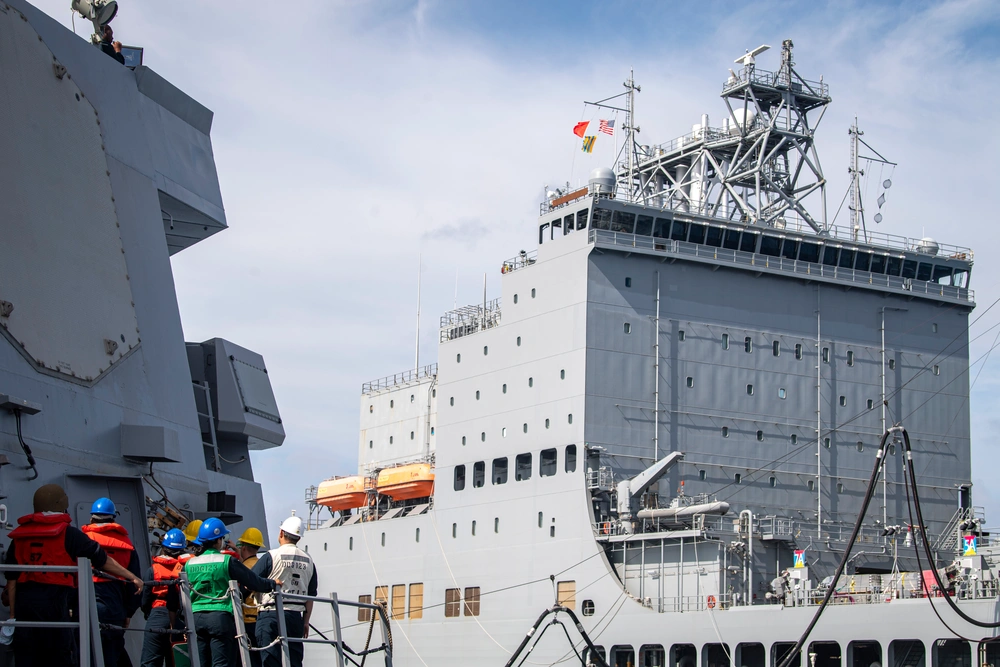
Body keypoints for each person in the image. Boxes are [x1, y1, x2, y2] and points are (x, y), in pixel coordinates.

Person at [5, 484, 144, 667]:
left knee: (27, 656)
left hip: (25, 606)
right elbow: (101, 559)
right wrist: (131, 577)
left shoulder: (19, 537)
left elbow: (12, 580)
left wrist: (13, 616)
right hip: (56, 604)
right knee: (61, 655)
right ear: (62, 505)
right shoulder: (69, 534)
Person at [185, 518, 280, 667]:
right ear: (218, 540)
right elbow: (254, 581)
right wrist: (273, 584)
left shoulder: (189, 564)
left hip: (196, 618)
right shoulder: (227, 561)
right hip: (220, 617)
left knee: (201, 663)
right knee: (221, 663)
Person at [82, 497, 143, 667]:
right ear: (113, 518)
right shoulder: (127, 545)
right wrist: (128, 613)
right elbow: (134, 581)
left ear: (92, 518)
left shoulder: (83, 540)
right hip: (115, 605)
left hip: (87, 602)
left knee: (86, 651)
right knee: (112, 651)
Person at [253, 515, 317, 667]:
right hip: (295, 617)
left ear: (281, 533)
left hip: (270, 613)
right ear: (299, 538)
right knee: (295, 660)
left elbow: (251, 581)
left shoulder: (271, 556)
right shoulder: (309, 560)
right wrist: (305, 622)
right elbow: (311, 595)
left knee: (270, 660)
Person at [139, 528, 186, 667]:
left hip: (157, 615)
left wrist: (148, 614)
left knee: (150, 662)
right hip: (179, 618)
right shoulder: (184, 568)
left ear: (164, 548)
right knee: (177, 660)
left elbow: (145, 598)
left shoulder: (153, 570)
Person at [237, 527, 266, 667]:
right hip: (262, 618)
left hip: (247, 620)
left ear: (243, 547)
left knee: (249, 660)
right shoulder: (262, 564)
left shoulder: (241, 568)